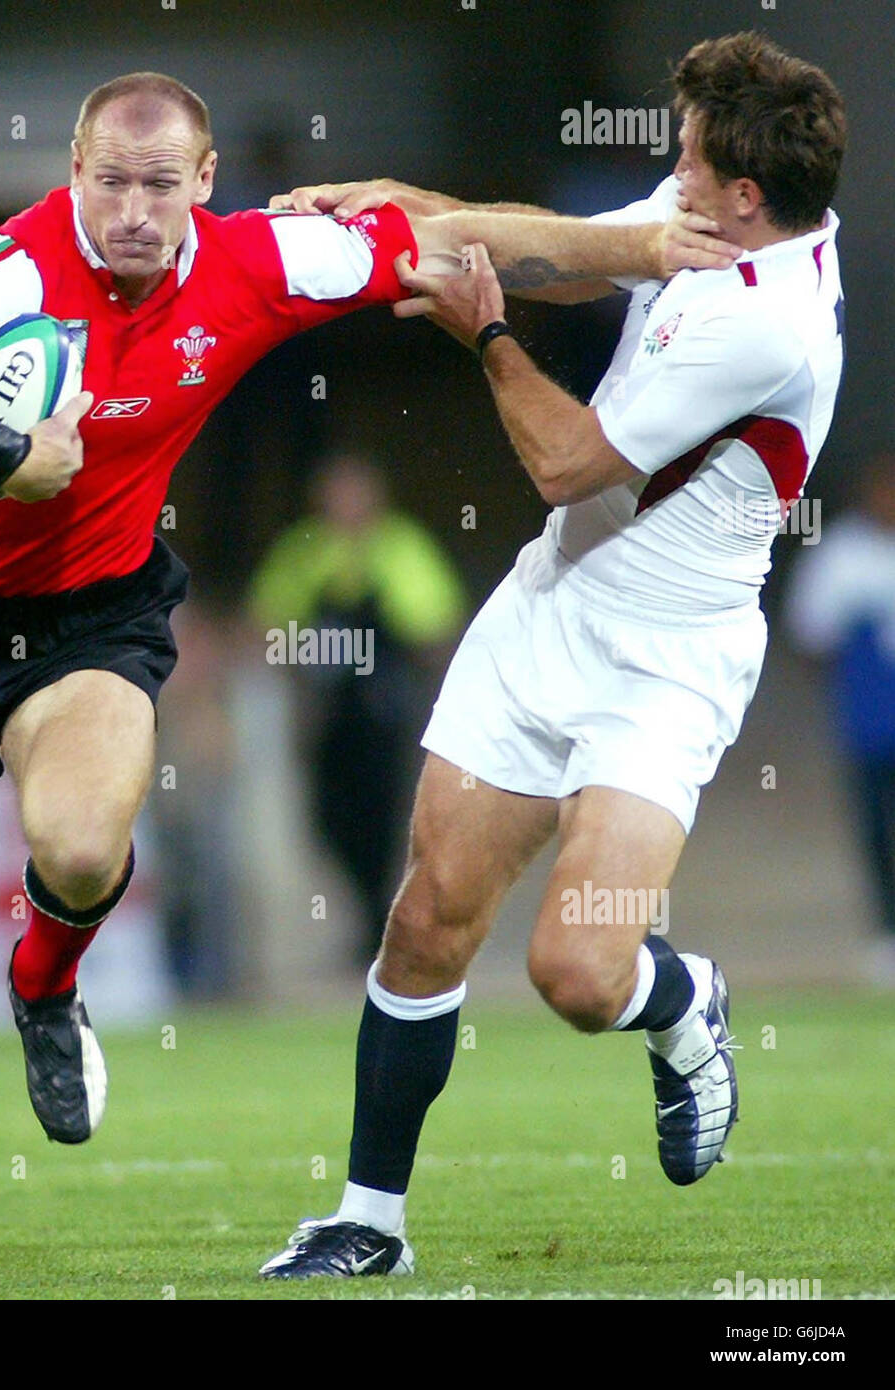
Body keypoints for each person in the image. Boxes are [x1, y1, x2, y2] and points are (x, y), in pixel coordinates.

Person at [0, 68, 735, 1282]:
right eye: (108, 183)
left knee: (79, 849)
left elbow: (454, 241)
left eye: (157, 186)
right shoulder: (10, 273)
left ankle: (45, 985)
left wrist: (646, 243)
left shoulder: (257, 262)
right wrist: (0, 450)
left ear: (203, 185)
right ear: (73, 174)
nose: (131, 211)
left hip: (93, 612)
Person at [261, 31, 845, 1279]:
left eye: (687, 151)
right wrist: (403, 205)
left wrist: (482, 333)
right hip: (553, 609)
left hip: (668, 661)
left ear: (744, 194)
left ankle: (682, 1003)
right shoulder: (726, 217)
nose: (670, 163)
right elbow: (573, 261)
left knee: (578, 971)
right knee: (424, 920)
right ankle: (370, 1219)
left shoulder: (770, 321)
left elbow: (566, 460)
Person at [249, 451, 467, 963]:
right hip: (327, 717)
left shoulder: (402, 547)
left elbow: (435, 627)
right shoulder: (303, 551)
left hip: (384, 713)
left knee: (382, 819)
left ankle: (377, 929)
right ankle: (373, 920)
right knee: (326, 819)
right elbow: (268, 625)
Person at [785, 452, 895, 981]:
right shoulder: (843, 556)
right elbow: (810, 634)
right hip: (872, 725)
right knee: (877, 829)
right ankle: (887, 935)